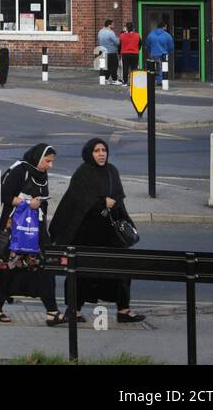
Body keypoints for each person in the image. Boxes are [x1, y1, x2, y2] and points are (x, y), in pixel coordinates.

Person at [49, 138, 146, 323]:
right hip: (86, 233)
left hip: (110, 233)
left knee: (121, 268)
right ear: (89, 153)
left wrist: (129, 222)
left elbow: (119, 200)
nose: (101, 154)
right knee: (80, 273)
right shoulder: (82, 173)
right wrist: (102, 203)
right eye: (96, 150)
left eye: (103, 150)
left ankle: (123, 310)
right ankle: (74, 311)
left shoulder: (112, 171)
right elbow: (77, 202)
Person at [0, 143, 69, 326]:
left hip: (35, 230)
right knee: (5, 269)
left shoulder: (41, 174)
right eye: (47, 161)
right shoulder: (19, 170)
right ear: (37, 158)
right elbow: (5, 196)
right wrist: (28, 202)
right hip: (12, 230)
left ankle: (52, 312)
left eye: (51, 162)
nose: (50, 166)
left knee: (43, 267)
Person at [144, 20, 173, 86]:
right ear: (164, 27)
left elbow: (147, 45)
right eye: (166, 27)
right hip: (163, 54)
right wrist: (168, 52)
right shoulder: (167, 35)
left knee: (154, 68)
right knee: (162, 68)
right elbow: (171, 46)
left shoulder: (151, 34)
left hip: (153, 54)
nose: (166, 28)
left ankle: (153, 80)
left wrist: (150, 51)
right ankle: (160, 81)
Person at [97, 19, 121, 84]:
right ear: (109, 25)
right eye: (113, 24)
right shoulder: (111, 32)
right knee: (114, 66)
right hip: (111, 52)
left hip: (102, 51)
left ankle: (105, 80)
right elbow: (117, 42)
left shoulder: (100, 31)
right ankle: (115, 80)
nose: (114, 25)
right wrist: (119, 38)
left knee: (104, 67)